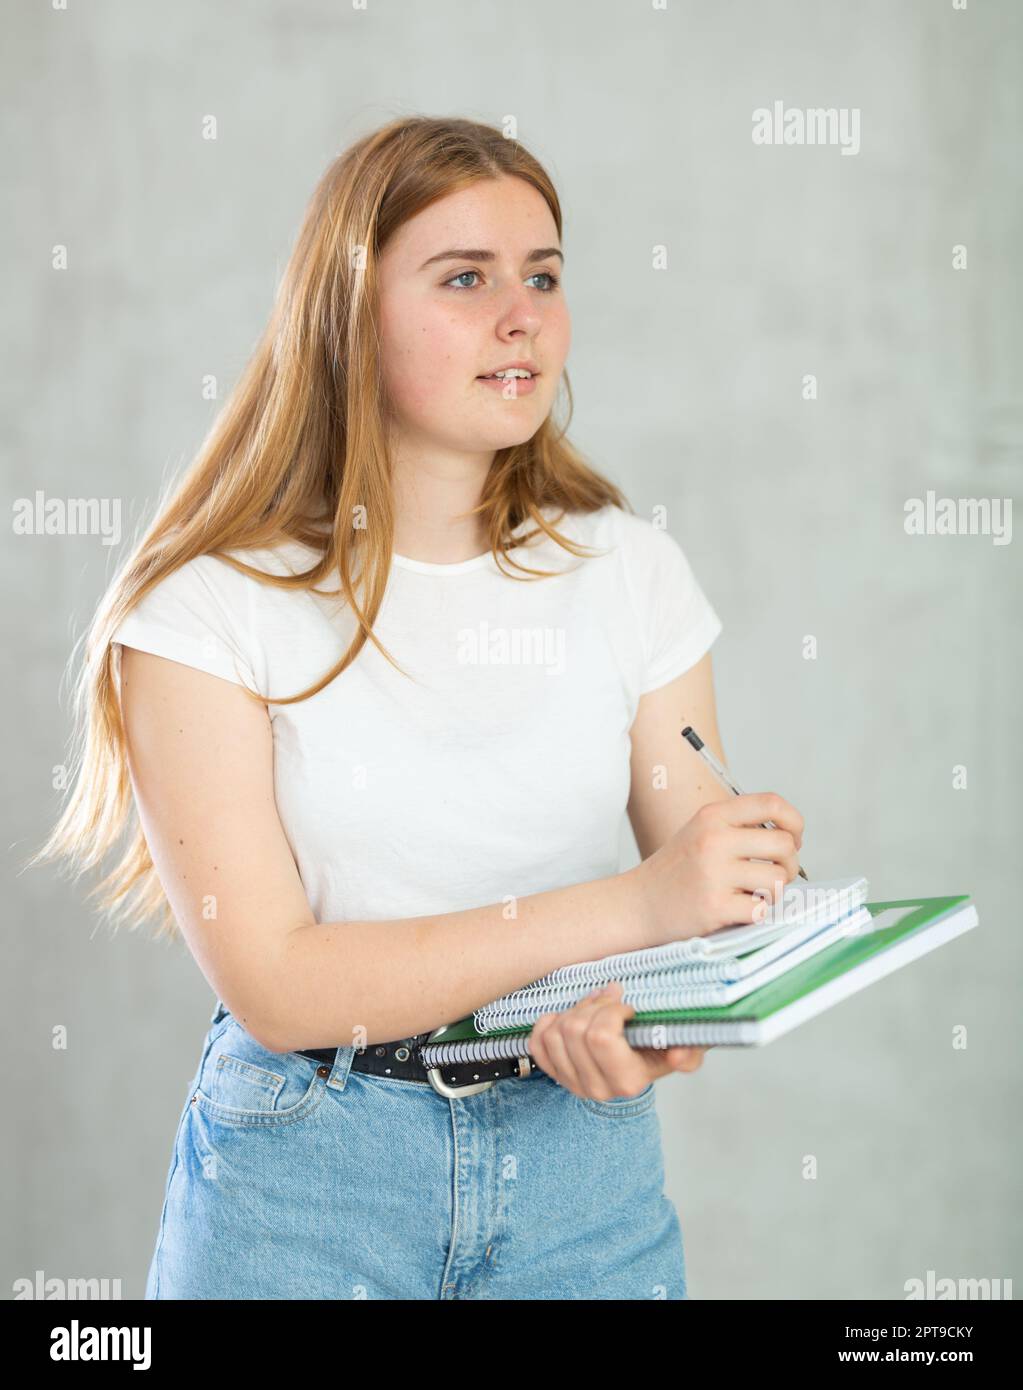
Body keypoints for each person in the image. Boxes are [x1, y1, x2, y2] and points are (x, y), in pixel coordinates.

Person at [31, 115, 804, 1300]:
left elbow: (700, 910)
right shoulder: (202, 613)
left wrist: (679, 1008)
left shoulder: (630, 570)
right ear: (350, 315)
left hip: (580, 1182)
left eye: (543, 275)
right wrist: (637, 904)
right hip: (308, 1188)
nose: (522, 316)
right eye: (465, 278)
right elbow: (279, 985)